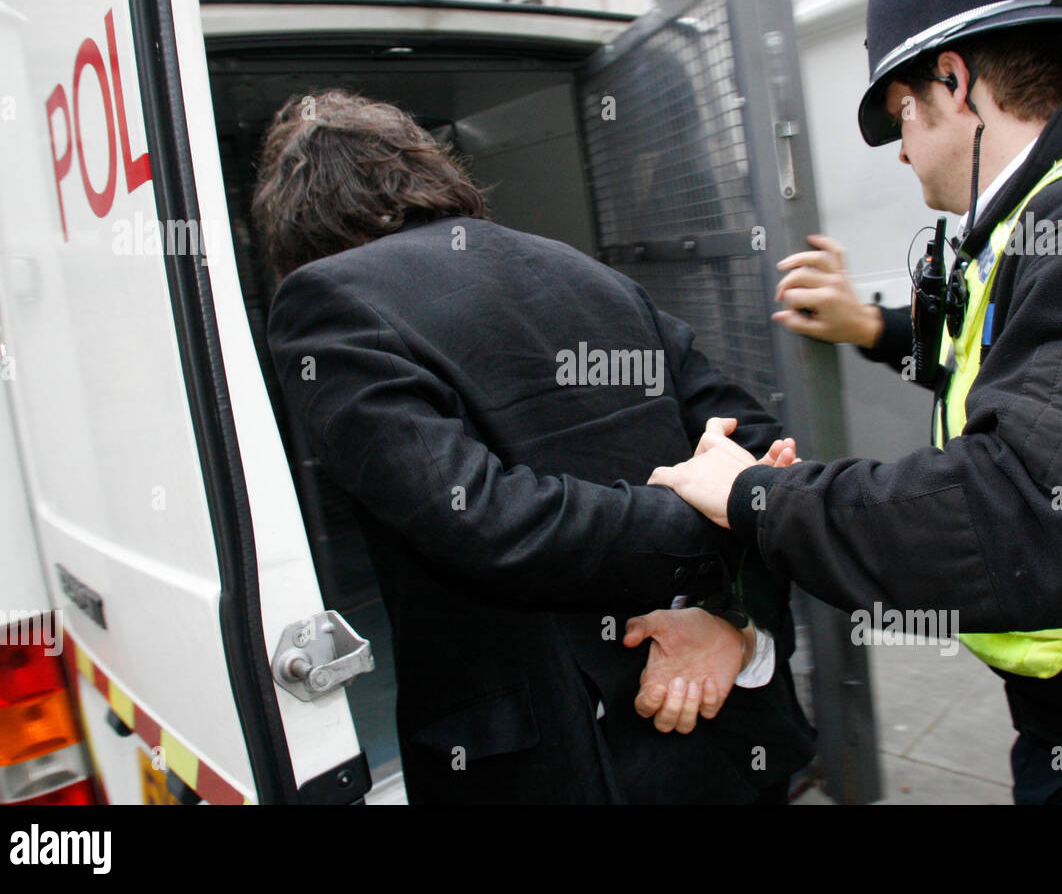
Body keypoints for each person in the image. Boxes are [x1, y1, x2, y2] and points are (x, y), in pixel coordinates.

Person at [647, 0, 1062, 804]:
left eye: (902, 114)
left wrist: (757, 496)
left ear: (954, 82)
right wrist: (874, 326)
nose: (901, 150)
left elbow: (1027, 512)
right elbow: (1042, 377)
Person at [257, 90, 814, 803]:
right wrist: (733, 612)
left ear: (293, 223)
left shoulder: (322, 300)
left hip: (552, 764)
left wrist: (697, 511)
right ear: (429, 168)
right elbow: (765, 458)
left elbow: (481, 517)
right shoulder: (585, 271)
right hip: (730, 731)